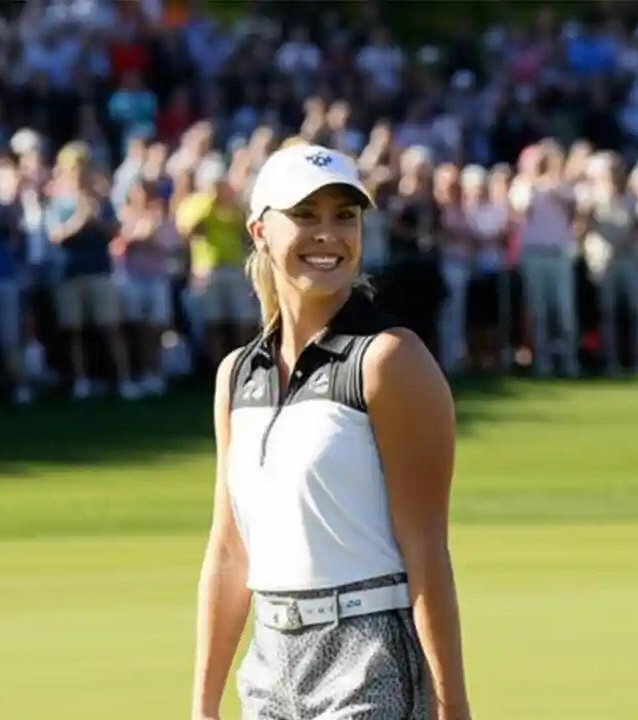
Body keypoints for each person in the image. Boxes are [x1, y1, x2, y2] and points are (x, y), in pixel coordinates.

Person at [191, 144, 470, 720]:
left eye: (345, 216)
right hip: (267, 668)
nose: (328, 234)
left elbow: (427, 553)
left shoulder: (389, 360)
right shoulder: (237, 375)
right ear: (259, 231)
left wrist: (452, 707)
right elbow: (228, 551)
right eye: (305, 215)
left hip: (369, 659)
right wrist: (203, 706)